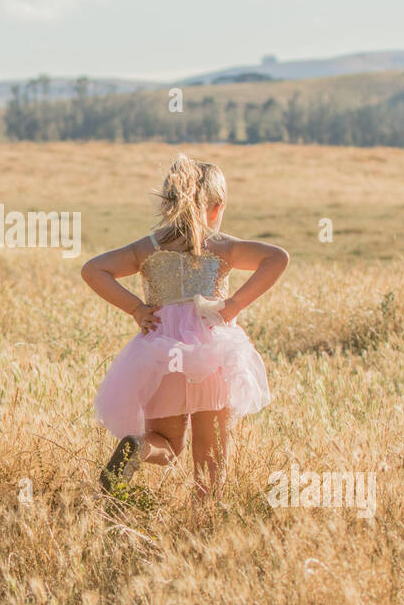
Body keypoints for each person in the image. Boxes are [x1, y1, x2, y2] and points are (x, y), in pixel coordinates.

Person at [82, 154, 289, 499]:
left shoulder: (147, 248)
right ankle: (202, 522)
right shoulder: (220, 247)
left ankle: (137, 446)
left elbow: (93, 269)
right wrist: (234, 305)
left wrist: (136, 308)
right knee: (211, 451)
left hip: (162, 351)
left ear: (168, 202)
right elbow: (277, 257)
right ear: (216, 206)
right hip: (212, 351)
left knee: (167, 444)